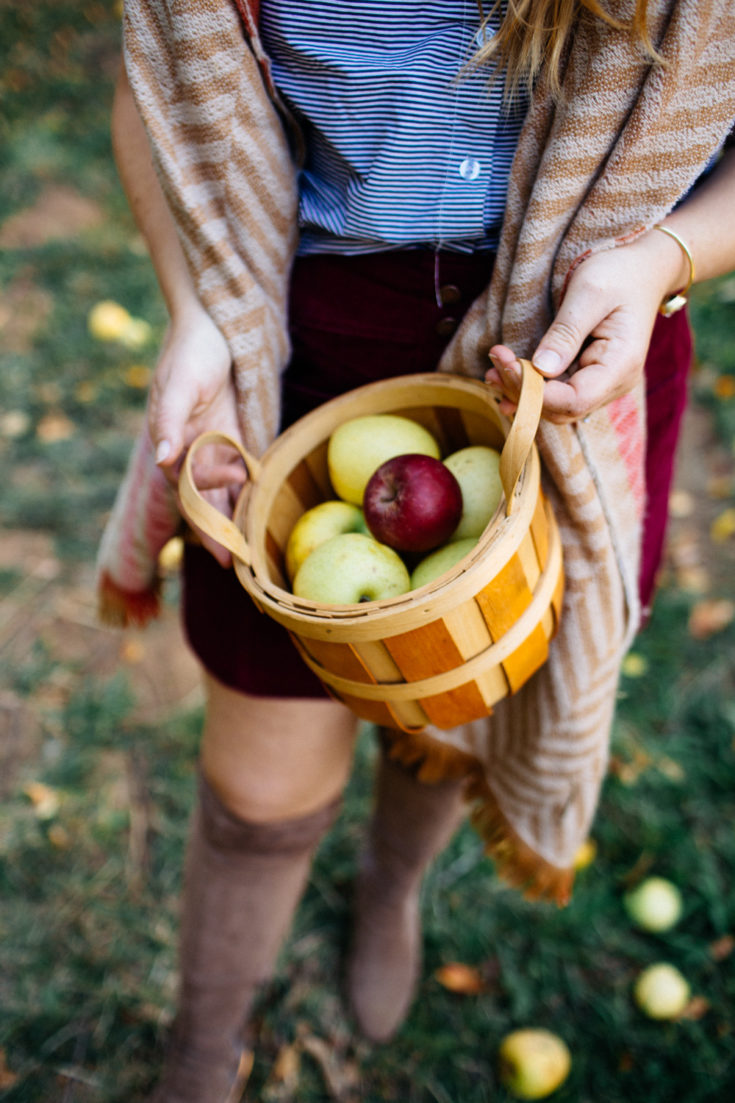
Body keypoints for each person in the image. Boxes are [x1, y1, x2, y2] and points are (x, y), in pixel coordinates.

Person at [98, 2, 735, 1099]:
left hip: (561, 360)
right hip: (305, 349)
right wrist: (196, 305)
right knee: (257, 785)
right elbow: (154, 86)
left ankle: (390, 883)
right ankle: (203, 1040)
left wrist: (664, 255)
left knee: (457, 688)